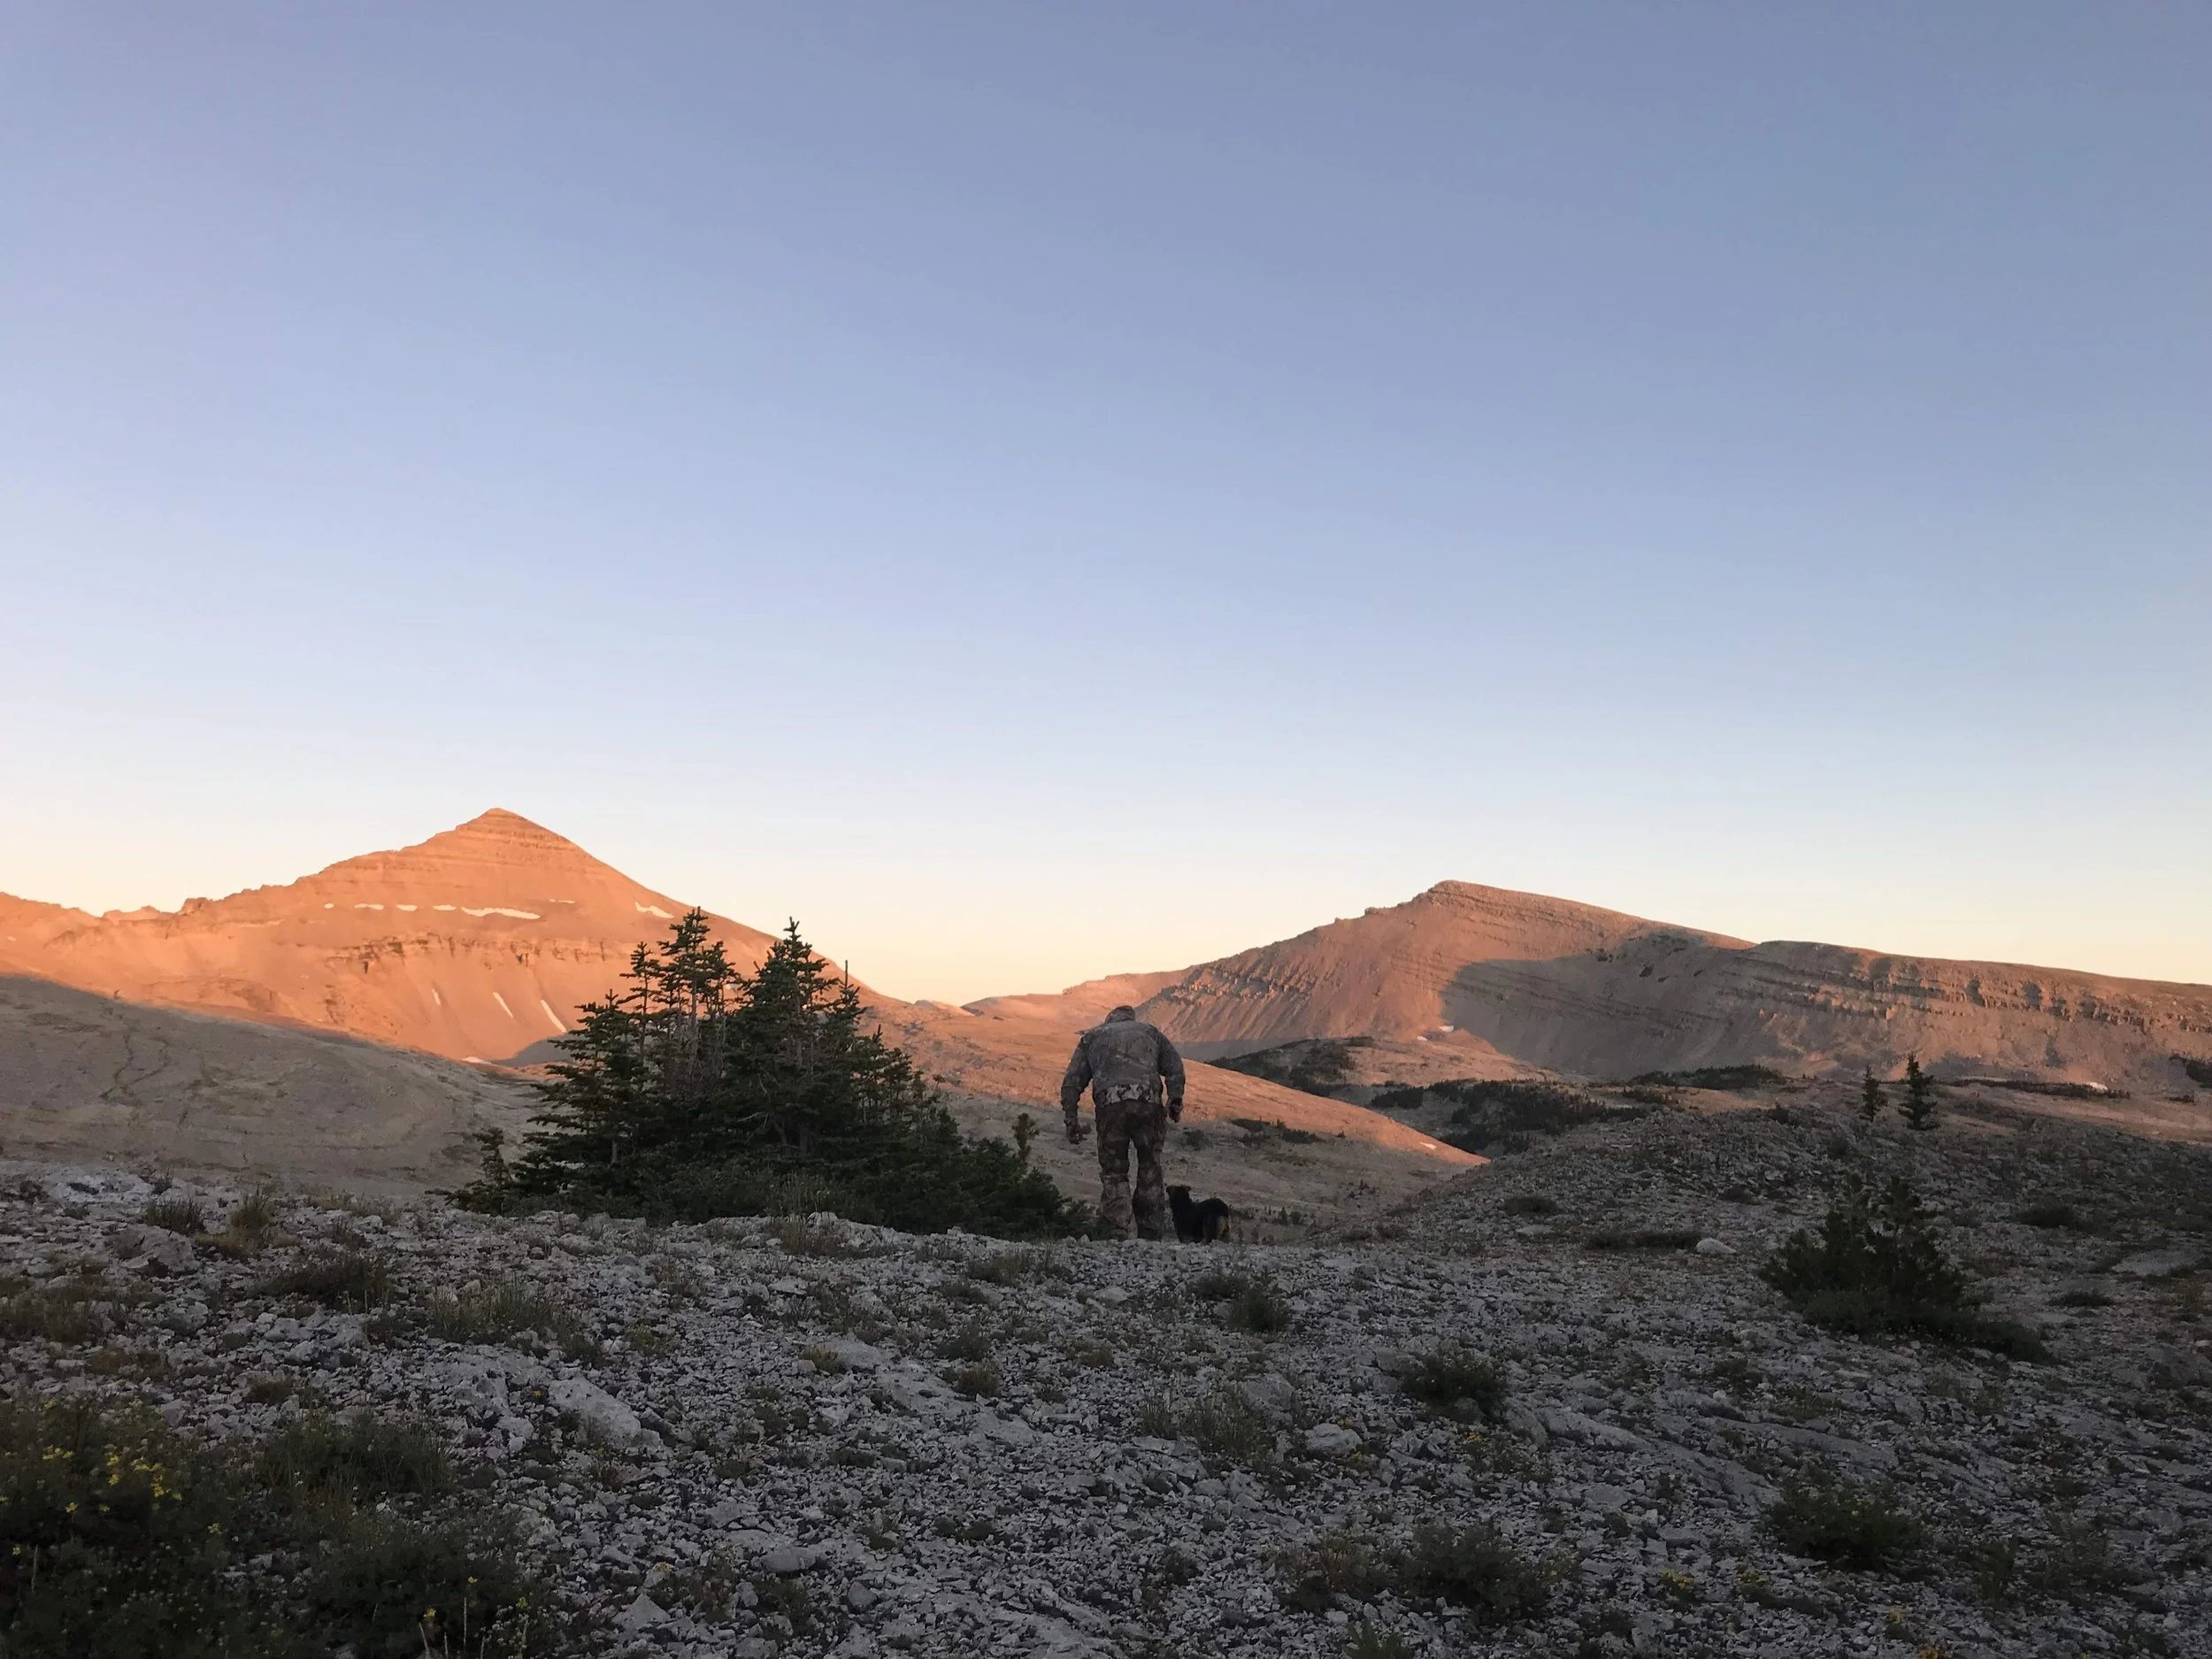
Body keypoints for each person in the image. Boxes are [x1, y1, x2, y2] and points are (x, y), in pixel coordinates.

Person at [1060, 1004, 1186, 1240]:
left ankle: (1116, 1232)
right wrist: (1175, 1099)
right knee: (1150, 1166)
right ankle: (1149, 1233)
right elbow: (1175, 1066)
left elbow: (1071, 1082)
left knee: (1114, 1171)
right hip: (1148, 1104)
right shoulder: (1151, 1033)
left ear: (1110, 1020)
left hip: (1110, 1107)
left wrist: (1071, 1120)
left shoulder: (1093, 1037)